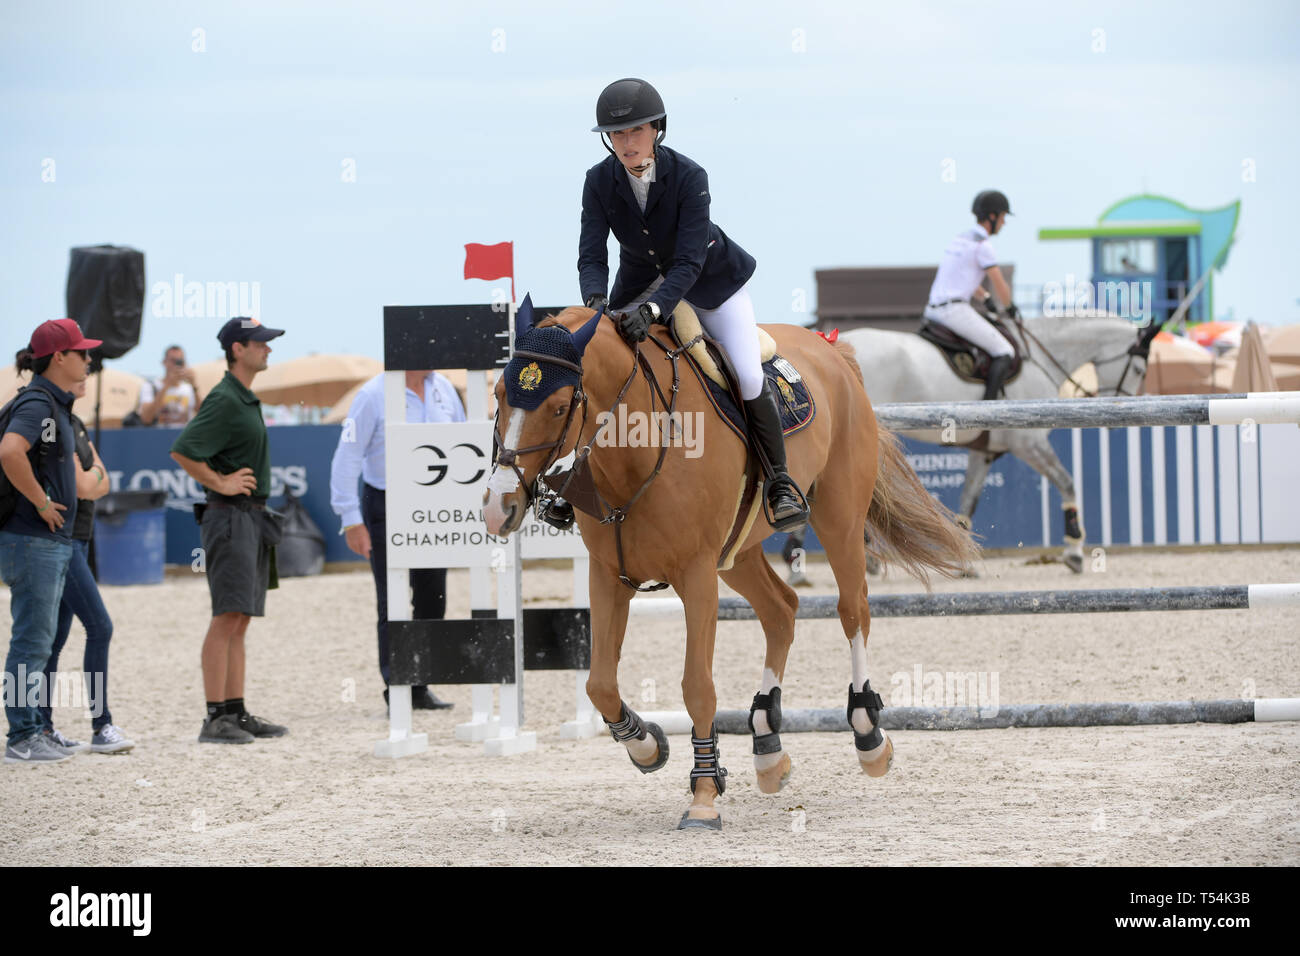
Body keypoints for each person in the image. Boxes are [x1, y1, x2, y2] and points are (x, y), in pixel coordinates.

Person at [576, 77, 808, 532]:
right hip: (638, 285)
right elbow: (592, 253)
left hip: (710, 284)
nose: (627, 142)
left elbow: (687, 262)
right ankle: (573, 481)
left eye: (636, 131)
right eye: (618, 134)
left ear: (657, 129)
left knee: (744, 371)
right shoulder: (598, 180)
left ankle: (780, 482)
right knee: (595, 366)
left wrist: (654, 312)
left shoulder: (689, 176)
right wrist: (596, 303)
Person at [170, 317, 288, 745]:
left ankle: (235, 712)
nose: (268, 349)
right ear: (237, 348)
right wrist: (220, 482)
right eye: (261, 343)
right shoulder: (224, 398)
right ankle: (214, 717)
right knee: (226, 617)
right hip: (231, 516)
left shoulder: (242, 397)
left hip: (249, 517)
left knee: (239, 619)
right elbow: (183, 450)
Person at [329, 369, 464, 710]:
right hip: (387, 503)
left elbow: (465, 441)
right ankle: (398, 685)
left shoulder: (445, 388)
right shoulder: (372, 394)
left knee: (433, 598)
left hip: (436, 505)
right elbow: (347, 456)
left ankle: (421, 683)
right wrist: (350, 520)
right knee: (392, 601)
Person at [1, 319, 100, 764]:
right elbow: (9, 451)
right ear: (59, 357)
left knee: (41, 640)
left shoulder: (53, 405)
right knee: (31, 640)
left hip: (46, 542)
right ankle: (22, 736)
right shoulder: (40, 403)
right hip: (32, 538)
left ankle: (37, 728)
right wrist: (41, 502)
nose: (89, 359)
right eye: (81, 352)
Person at [38, 376, 134, 754]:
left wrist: (91, 476)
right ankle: (101, 725)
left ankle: (44, 728)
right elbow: (85, 485)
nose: (88, 371)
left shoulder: (75, 423)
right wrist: (92, 475)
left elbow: (103, 481)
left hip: (78, 538)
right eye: (80, 362)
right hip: (65, 541)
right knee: (99, 626)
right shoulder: (56, 422)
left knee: (55, 639)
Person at [922, 190, 1019, 400]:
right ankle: (987, 411)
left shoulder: (960, 240)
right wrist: (1009, 307)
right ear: (992, 216)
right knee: (1004, 351)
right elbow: (1000, 284)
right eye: (1003, 217)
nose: (1004, 223)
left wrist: (985, 298)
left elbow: (963, 277)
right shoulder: (983, 247)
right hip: (954, 311)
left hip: (933, 310)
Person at [138, 345, 202, 425]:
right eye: (173, 360)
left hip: (183, 435)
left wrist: (194, 384)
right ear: (164, 362)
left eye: (180, 361)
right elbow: (146, 418)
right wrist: (167, 386)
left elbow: (202, 414)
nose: (176, 365)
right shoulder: (150, 386)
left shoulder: (189, 388)